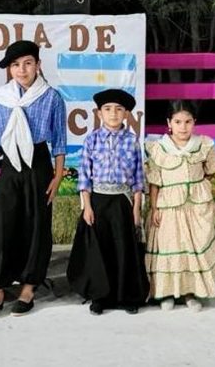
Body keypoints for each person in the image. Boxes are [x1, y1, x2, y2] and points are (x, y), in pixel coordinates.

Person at [0, 40, 66, 318]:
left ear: (38, 65)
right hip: (10, 165)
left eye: (28, 63)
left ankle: (29, 287)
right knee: (0, 226)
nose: (22, 69)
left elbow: (60, 142)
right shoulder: (2, 97)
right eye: (15, 65)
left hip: (38, 164)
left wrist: (58, 176)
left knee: (36, 225)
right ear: (10, 70)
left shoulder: (51, 97)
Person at [66, 89, 149, 315]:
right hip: (98, 201)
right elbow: (84, 175)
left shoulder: (132, 141)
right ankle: (100, 297)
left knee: (124, 249)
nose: (113, 113)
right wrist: (87, 206)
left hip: (122, 202)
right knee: (100, 251)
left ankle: (126, 296)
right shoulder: (91, 139)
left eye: (119, 109)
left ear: (126, 114)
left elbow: (138, 178)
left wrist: (136, 209)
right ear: (99, 113)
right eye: (108, 109)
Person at [144, 100, 215, 311]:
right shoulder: (159, 148)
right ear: (169, 122)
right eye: (178, 121)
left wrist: (198, 186)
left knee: (194, 247)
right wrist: (154, 208)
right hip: (168, 206)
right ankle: (166, 293)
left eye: (188, 121)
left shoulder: (203, 145)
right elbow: (155, 182)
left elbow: (210, 170)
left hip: (196, 206)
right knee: (171, 247)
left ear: (194, 122)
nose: (183, 126)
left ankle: (191, 292)